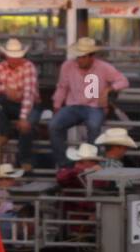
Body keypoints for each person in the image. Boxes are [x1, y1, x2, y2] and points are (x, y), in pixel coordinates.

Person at [50, 38, 130, 167]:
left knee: (94, 126)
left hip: (94, 106)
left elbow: (123, 81)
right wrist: (57, 105)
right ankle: (65, 164)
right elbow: (62, 86)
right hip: (73, 106)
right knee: (54, 125)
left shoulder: (103, 67)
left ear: (92, 56)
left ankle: (92, 163)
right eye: (78, 57)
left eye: (83, 57)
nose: (80, 59)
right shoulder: (67, 66)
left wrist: (109, 89)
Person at [0, 39, 44, 169]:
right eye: (12, 57)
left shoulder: (29, 67)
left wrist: (23, 117)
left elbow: (29, 94)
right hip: (10, 104)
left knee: (27, 125)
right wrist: (6, 89)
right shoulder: (0, 67)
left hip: (30, 103)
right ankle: (4, 133)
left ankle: (25, 158)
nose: (14, 60)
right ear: (6, 56)